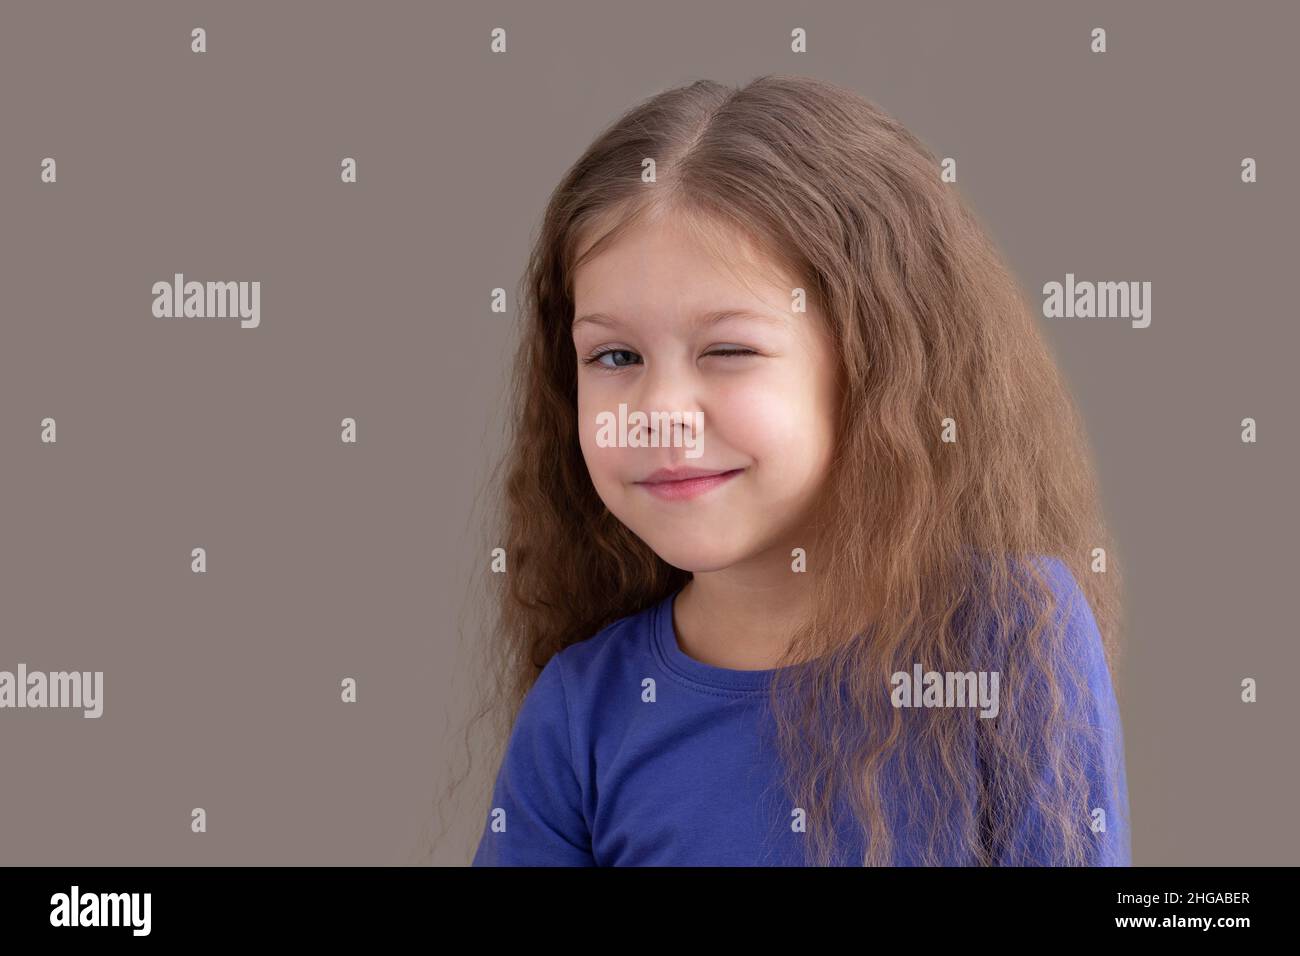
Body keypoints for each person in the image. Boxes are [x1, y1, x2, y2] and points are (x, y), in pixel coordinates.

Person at [468, 74, 1131, 866]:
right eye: (616, 356)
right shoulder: (577, 715)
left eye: (729, 350)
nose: (661, 411)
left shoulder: (1011, 635)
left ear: (875, 364)